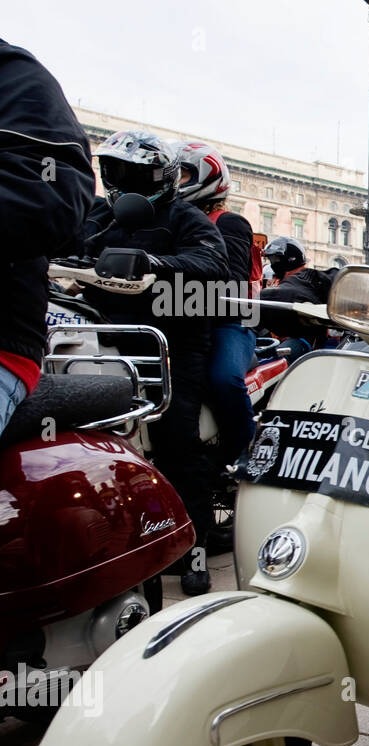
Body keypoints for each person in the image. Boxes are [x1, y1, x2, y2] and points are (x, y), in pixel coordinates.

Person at [81, 130, 229, 596]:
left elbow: (212, 265)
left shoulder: (185, 217)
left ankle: (196, 547)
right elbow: (69, 243)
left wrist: (150, 261)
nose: (120, 182)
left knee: (176, 442)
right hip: (104, 340)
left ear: (160, 177)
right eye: (114, 172)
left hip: (170, 346)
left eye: (132, 173)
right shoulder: (102, 216)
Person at [0, 40, 95, 436]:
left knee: (221, 380)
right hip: (99, 301)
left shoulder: (13, 74)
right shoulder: (116, 216)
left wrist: (155, 266)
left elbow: (49, 196)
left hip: (5, 333)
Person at [173, 141, 258, 469]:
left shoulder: (229, 223)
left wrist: (172, 292)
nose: (175, 182)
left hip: (232, 323)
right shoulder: (173, 220)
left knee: (224, 378)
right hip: (184, 323)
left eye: (182, 175)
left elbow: (233, 286)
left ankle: (244, 451)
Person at [258, 237, 338, 358]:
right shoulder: (288, 281)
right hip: (281, 340)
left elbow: (285, 294)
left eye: (274, 260)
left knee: (276, 360)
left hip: (305, 344)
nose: (273, 264)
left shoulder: (306, 278)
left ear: (288, 259)